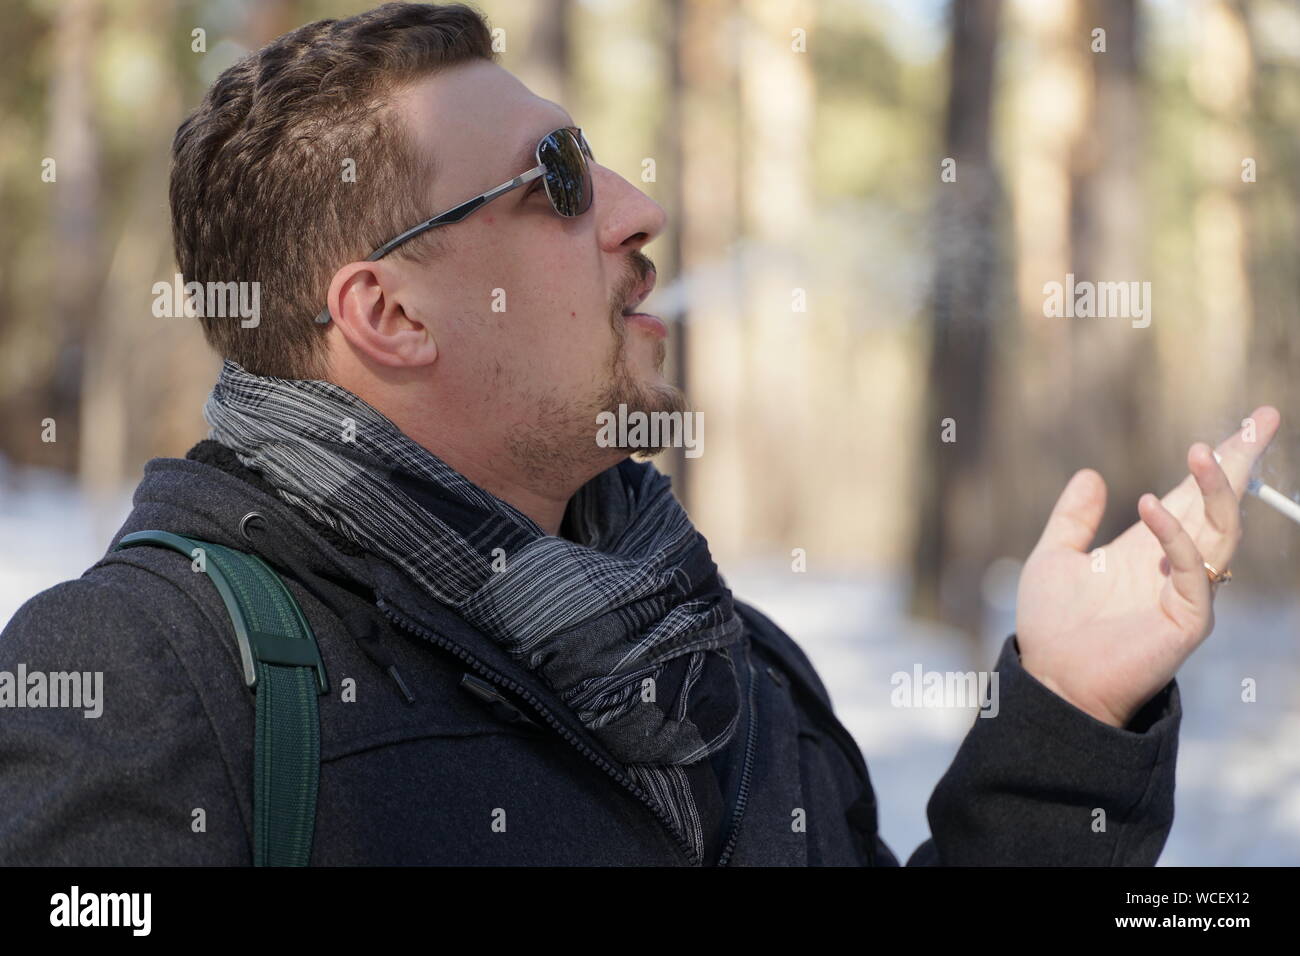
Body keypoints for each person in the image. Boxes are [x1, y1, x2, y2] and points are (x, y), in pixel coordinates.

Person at [0, 2, 1280, 866]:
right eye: (556, 175)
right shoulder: (145, 681)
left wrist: (1067, 716)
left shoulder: (729, 662)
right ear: (389, 313)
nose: (637, 208)